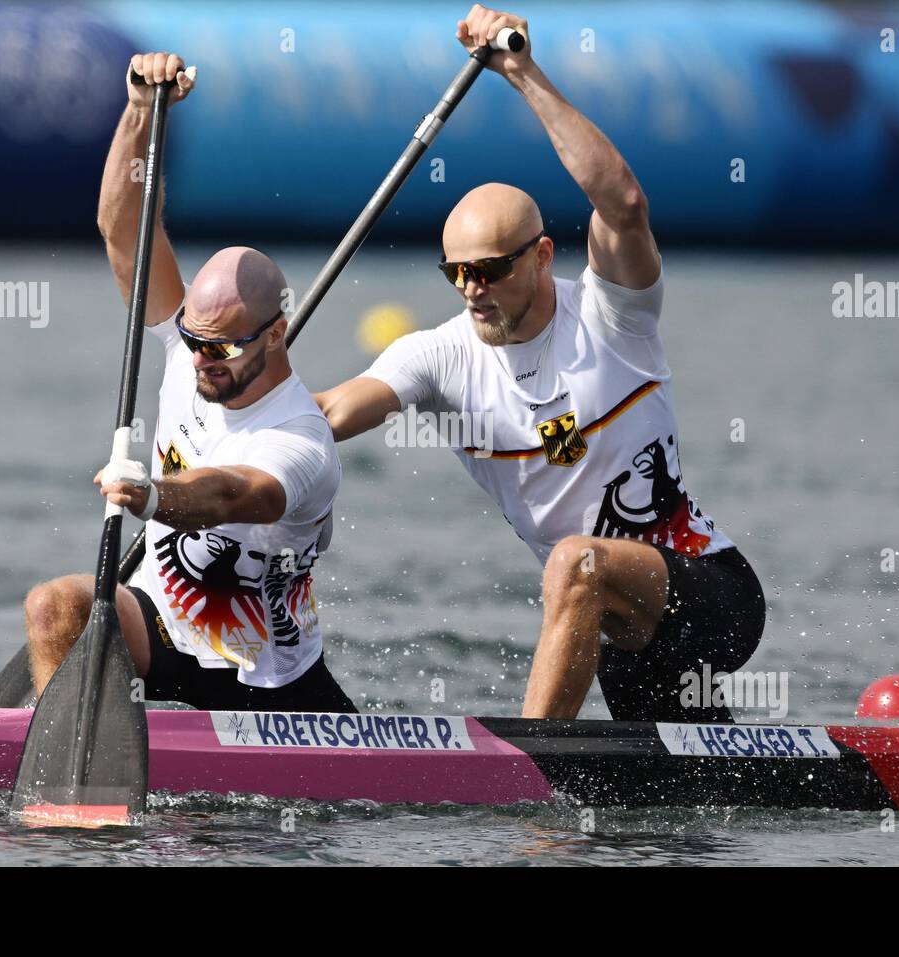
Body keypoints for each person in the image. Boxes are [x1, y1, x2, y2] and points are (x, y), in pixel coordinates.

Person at [316, 7, 764, 722]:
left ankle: (526, 779)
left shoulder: (613, 314)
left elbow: (622, 201)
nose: (473, 290)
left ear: (544, 256)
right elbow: (331, 414)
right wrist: (229, 417)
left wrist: (520, 72)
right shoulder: (438, 354)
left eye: (491, 270)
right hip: (618, 637)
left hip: (712, 594)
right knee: (671, 822)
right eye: (456, 273)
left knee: (572, 564)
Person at [24, 52, 355, 713]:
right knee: (56, 605)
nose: (203, 358)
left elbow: (237, 494)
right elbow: (122, 229)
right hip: (163, 625)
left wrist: (151, 497)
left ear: (276, 336)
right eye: (196, 340)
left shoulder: (302, 438)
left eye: (224, 347)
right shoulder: (188, 347)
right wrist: (142, 111)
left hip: (266, 681)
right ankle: (64, 790)